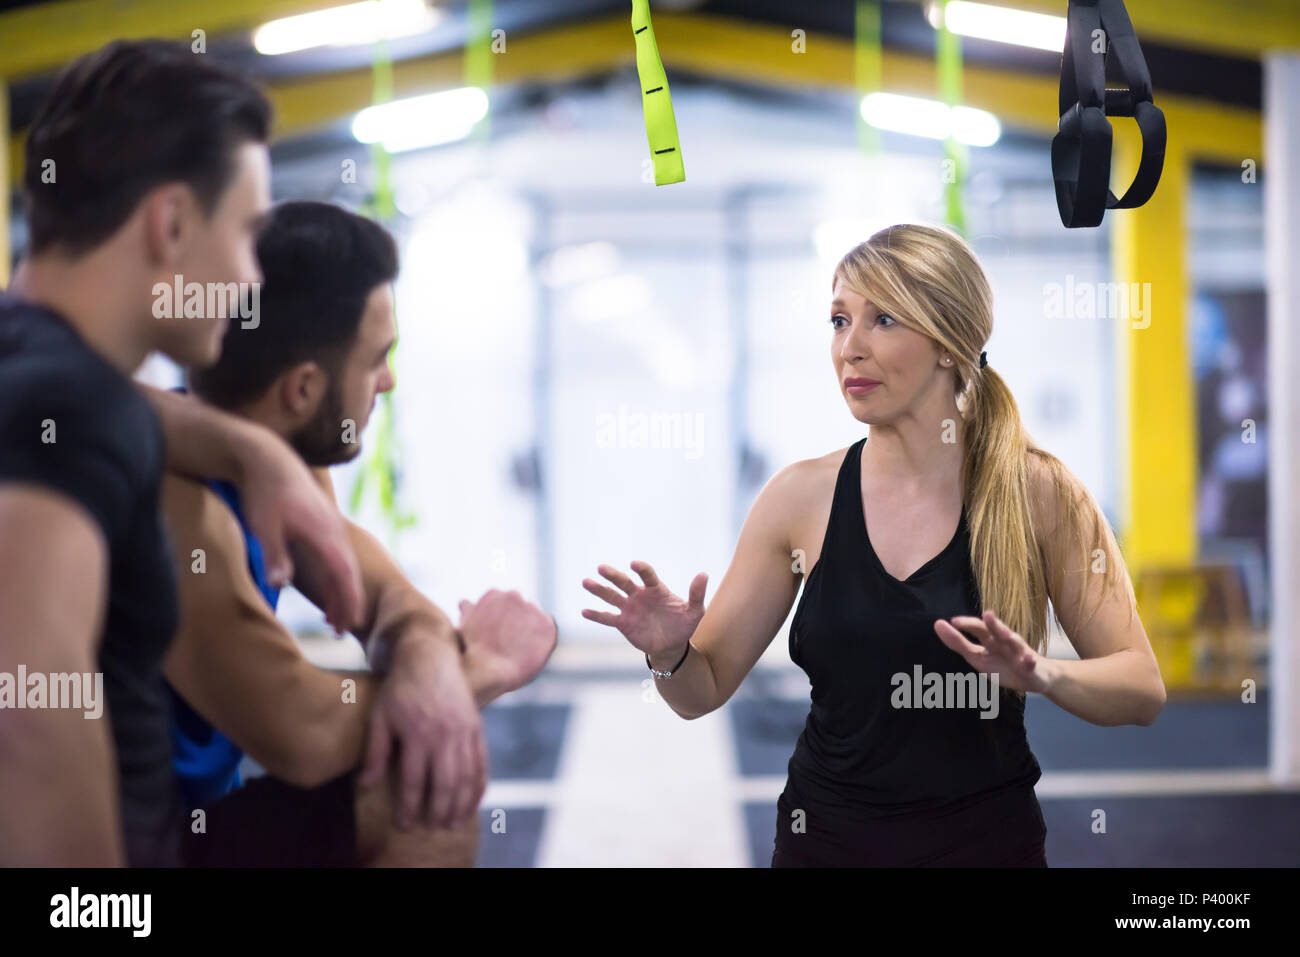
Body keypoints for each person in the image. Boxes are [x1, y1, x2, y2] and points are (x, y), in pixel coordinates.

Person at [581, 223, 1167, 867]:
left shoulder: (1040, 493)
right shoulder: (799, 500)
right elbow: (703, 690)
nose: (849, 349)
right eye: (838, 320)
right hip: (826, 844)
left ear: (948, 344)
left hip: (987, 848)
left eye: (882, 319)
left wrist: (1042, 673)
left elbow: (1141, 688)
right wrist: (669, 654)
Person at [0, 39, 368, 867]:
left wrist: (252, 452)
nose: (247, 279)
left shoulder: (39, 368)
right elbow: (25, 714)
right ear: (170, 224)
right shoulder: (75, 408)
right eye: (243, 234)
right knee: (404, 792)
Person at [163, 200, 557, 866]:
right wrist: (479, 670)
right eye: (378, 358)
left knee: (424, 787)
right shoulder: (176, 503)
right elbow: (301, 728)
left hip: (199, 823)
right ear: (303, 388)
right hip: (104, 872)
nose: (389, 380)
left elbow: (390, 601)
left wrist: (431, 662)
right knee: (421, 792)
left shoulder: (286, 472)